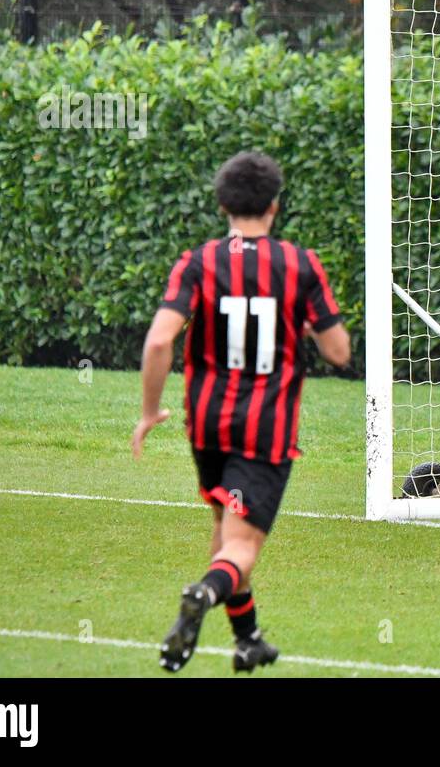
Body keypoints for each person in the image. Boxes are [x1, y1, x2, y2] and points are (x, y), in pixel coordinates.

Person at [131, 151, 350, 673]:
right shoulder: (299, 264)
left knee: (227, 530)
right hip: (264, 430)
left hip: (206, 425)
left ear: (222, 204)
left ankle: (248, 639)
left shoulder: (198, 262)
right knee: (241, 546)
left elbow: (160, 340)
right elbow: (338, 351)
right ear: (274, 206)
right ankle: (203, 595)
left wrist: (149, 410)